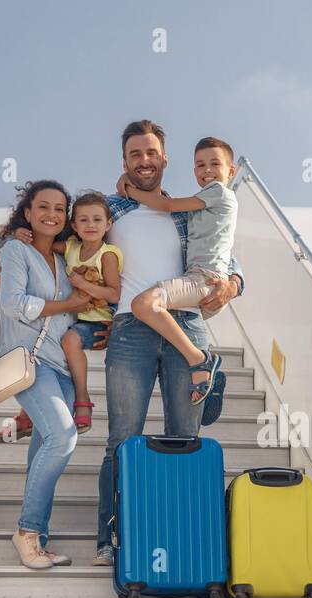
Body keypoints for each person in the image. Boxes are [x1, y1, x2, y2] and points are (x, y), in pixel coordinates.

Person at [0, 120, 245, 567]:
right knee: (123, 441)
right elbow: (51, 238)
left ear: (164, 159)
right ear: (124, 162)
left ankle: (179, 538)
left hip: (185, 325)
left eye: (151, 154)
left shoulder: (192, 208)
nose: (143, 162)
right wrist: (12, 242)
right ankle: (113, 538)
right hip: (128, 332)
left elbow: (224, 254)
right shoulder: (107, 211)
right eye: (134, 155)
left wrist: (237, 281)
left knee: (185, 437)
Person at [0, 180, 93, 569]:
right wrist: (66, 302)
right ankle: (27, 532)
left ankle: (39, 540)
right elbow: (14, 304)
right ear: (28, 213)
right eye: (43, 207)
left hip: (62, 365)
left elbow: (78, 309)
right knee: (63, 436)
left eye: (59, 208)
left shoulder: (67, 256)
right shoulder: (15, 250)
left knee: (44, 445)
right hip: (27, 362)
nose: (52, 214)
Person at [116, 136, 237, 406]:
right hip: (193, 286)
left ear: (232, 171)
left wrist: (130, 190)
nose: (206, 170)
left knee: (144, 303)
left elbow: (168, 206)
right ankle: (205, 380)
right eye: (200, 165)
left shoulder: (214, 195)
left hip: (202, 282)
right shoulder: (200, 207)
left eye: (214, 164)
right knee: (146, 306)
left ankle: (200, 360)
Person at [2, 192, 123, 439]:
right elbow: (38, 245)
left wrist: (82, 285)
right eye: (84, 220)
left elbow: (114, 294)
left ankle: (83, 399)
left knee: (69, 341)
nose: (91, 225)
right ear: (74, 225)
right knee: (56, 347)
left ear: (108, 224)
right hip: (72, 322)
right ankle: (26, 415)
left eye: (97, 220)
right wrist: (18, 234)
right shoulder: (70, 248)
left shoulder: (107, 254)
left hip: (96, 321)